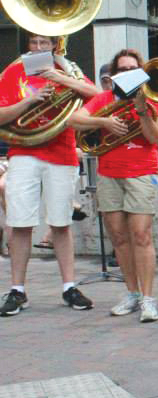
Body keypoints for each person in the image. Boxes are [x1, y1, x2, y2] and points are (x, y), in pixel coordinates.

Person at [0, 31, 99, 316]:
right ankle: (17, 289)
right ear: (28, 45)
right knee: (20, 223)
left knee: (61, 222)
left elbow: (99, 96)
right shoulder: (14, 71)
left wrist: (62, 79)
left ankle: (69, 286)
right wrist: (28, 102)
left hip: (62, 152)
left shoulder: (67, 68)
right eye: (34, 42)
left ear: (55, 45)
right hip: (23, 152)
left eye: (45, 42)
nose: (39, 47)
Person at [69, 49, 158, 322]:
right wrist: (104, 121)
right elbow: (73, 120)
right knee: (119, 237)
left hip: (141, 172)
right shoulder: (103, 99)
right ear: (114, 75)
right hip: (109, 173)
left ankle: (149, 299)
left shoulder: (153, 98)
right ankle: (132, 293)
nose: (127, 73)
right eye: (122, 69)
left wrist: (141, 110)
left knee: (141, 236)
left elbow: (153, 136)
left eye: (132, 68)